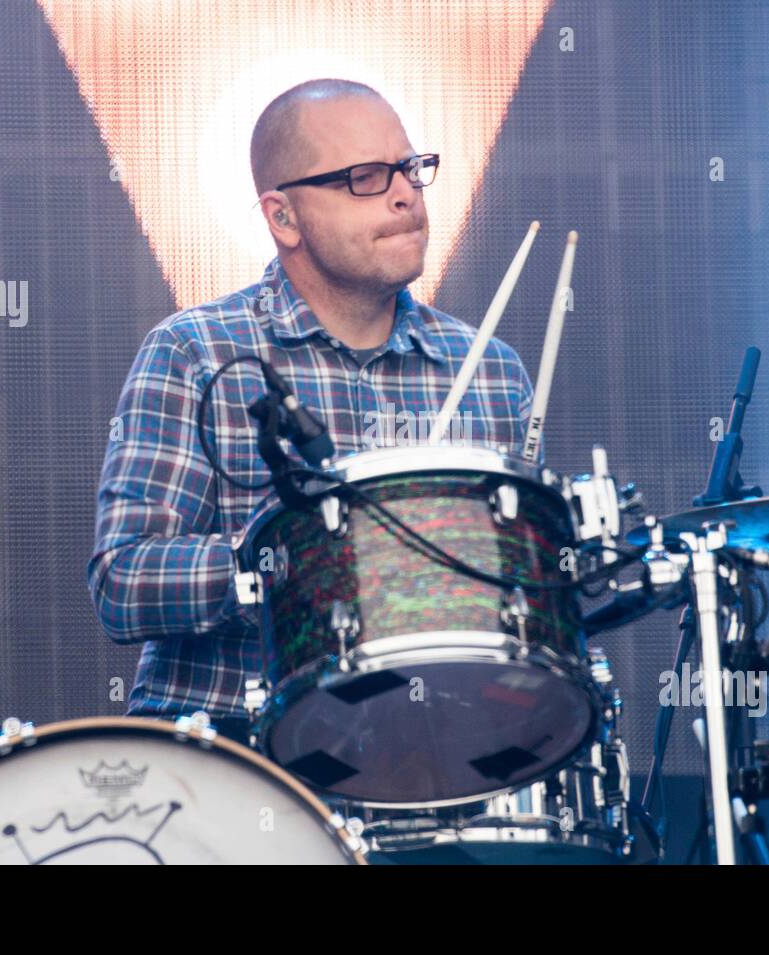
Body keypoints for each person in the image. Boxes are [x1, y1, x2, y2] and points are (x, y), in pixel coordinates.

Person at [88, 78, 540, 742]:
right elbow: (123, 583)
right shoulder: (196, 352)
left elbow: (527, 605)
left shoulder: (492, 373)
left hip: (432, 759)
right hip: (231, 754)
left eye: (412, 169)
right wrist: (290, 559)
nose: (404, 193)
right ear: (283, 218)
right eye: (365, 176)